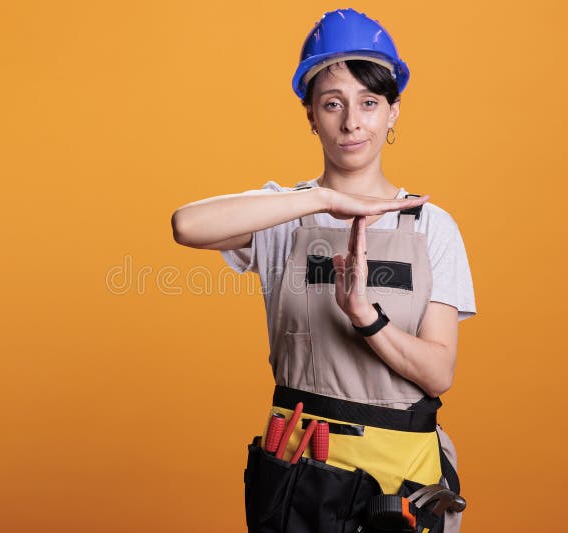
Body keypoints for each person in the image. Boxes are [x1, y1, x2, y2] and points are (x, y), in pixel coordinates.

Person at [171, 8, 476, 533]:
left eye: (369, 103)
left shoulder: (432, 227)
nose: (352, 122)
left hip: (400, 482)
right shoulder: (283, 217)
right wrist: (322, 200)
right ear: (311, 114)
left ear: (392, 112)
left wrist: (366, 317)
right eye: (333, 104)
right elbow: (186, 224)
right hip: (301, 476)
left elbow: (438, 372)